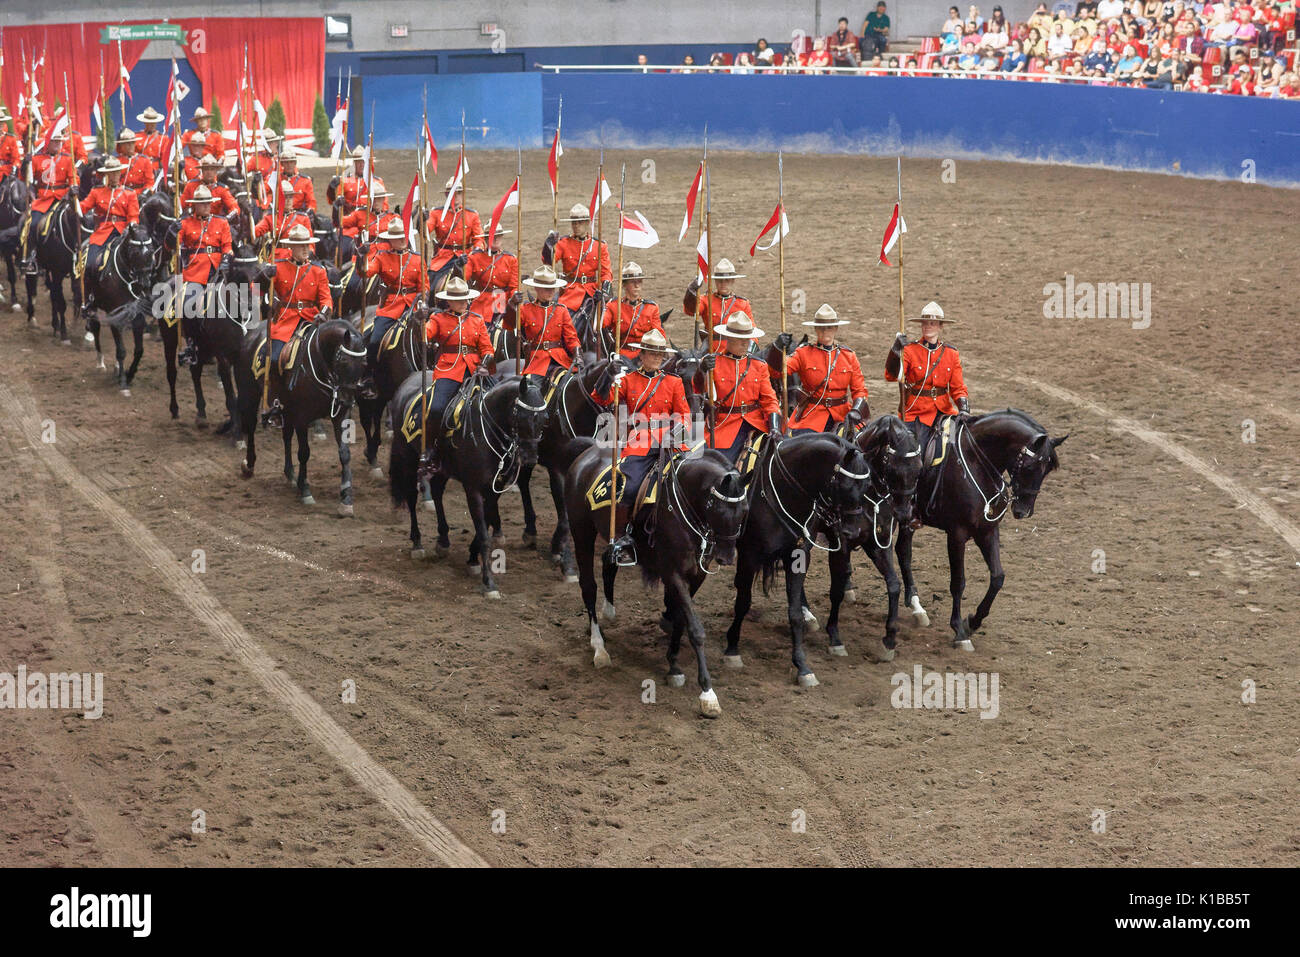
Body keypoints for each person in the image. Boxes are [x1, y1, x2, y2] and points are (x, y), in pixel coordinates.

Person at [593, 328, 692, 565]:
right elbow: (602, 398)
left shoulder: (673, 382)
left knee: (690, 480)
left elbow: (684, 414)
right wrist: (608, 374)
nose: (657, 357)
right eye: (652, 353)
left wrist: (678, 430)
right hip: (640, 442)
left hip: (669, 441)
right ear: (642, 355)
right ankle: (627, 536)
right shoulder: (627, 381)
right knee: (630, 486)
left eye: (660, 354)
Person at [259, 223, 333, 428]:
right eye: (300, 246)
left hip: (311, 320)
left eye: (307, 245)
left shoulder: (318, 271)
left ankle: (330, 399)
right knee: (274, 358)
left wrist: (323, 313)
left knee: (327, 358)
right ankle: (275, 402)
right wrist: (264, 275)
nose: (305, 249)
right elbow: (258, 291)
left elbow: (326, 300)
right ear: (291, 247)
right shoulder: (278, 266)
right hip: (285, 320)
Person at [420, 275, 495, 474]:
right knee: (436, 408)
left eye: (465, 299)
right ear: (449, 301)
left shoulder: (477, 320)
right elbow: (425, 335)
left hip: (475, 370)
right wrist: (420, 319)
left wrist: (484, 363)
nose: (463, 303)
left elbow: (487, 348)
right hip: (449, 370)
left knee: (499, 404)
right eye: (459, 300)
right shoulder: (438, 319)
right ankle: (432, 451)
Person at [884, 301, 968, 459]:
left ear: (940, 326)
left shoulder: (951, 354)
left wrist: (964, 408)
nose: (928, 326)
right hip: (916, 413)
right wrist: (895, 351)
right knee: (915, 457)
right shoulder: (909, 350)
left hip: (945, 412)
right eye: (925, 323)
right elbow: (891, 376)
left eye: (933, 323)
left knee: (957, 448)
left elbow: (958, 388)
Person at [768, 304, 868, 435]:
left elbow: (860, 390)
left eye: (829, 327)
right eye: (821, 328)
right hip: (813, 415)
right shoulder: (803, 353)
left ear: (836, 328)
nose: (825, 331)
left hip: (843, 414)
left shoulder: (849, 356)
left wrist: (856, 410)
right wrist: (777, 349)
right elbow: (777, 372)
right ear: (815, 329)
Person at [357, 219, 429, 399]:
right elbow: (366, 272)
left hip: (414, 306)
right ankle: (369, 377)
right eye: (397, 237)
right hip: (390, 307)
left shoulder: (417, 258)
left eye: (403, 236)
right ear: (391, 241)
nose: (402, 239)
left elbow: (425, 287)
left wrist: (423, 302)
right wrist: (362, 257)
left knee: (433, 338)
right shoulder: (382, 257)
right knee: (374, 341)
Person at [698, 314, 780, 464]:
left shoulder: (759, 365)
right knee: (721, 469)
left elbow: (770, 399)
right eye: (740, 340)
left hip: (756, 423)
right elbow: (697, 389)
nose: (745, 344)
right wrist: (701, 370)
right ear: (728, 338)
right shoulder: (712, 362)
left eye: (747, 340)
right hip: (725, 425)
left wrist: (775, 427)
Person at [174, 184, 233, 367]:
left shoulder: (222, 222)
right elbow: (172, 247)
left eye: (208, 203)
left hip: (218, 270)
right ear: (194, 206)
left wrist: (225, 259)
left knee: (238, 302)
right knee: (188, 304)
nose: (206, 206)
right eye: (202, 203)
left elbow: (227, 247)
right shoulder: (185, 223)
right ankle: (192, 344)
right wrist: (171, 233)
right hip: (195, 271)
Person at [78, 156, 141, 314]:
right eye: (110, 173)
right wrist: (74, 198)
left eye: (116, 173)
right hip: (102, 233)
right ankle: (90, 300)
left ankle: (140, 295)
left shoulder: (129, 194)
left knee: (140, 260)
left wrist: (131, 226)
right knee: (90, 264)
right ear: (106, 175)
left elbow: (133, 216)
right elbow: (83, 208)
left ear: (120, 173)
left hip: (123, 233)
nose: (113, 176)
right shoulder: (97, 192)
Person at [504, 265, 581, 378]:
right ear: (537, 289)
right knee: (532, 391)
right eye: (547, 289)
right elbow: (509, 325)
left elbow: (571, 338)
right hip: (537, 363)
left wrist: (577, 354)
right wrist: (511, 305)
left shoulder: (561, 310)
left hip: (560, 360)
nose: (551, 292)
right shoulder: (525, 309)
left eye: (552, 288)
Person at [21, 131, 76, 275]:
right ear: (48, 143)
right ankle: (32, 257)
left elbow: (73, 179)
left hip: (63, 198)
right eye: (55, 141)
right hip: (43, 200)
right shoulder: (37, 158)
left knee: (80, 220)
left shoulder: (67, 158)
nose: (58, 144)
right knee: (33, 224)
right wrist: (25, 163)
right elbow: (26, 178)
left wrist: (72, 189)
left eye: (60, 141)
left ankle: (79, 253)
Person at [547, 202, 612, 321]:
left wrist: (605, 287)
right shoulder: (563, 243)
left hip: (593, 291)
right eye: (574, 223)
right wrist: (548, 247)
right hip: (571, 292)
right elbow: (549, 262)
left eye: (580, 222)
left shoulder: (599, 245)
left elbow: (606, 272)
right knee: (557, 318)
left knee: (606, 321)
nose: (576, 226)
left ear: (587, 223)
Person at [601, 262, 665, 362]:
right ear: (624, 285)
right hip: (621, 355)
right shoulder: (613, 306)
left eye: (639, 281)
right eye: (632, 282)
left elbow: (659, 335)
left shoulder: (652, 308)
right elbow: (601, 325)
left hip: (644, 357)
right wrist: (599, 304)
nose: (636, 285)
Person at [426, 176, 484, 282]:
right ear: (446, 195)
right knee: (432, 287)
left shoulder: (472, 215)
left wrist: (476, 251)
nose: (455, 197)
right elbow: (425, 232)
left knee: (482, 280)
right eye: (452, 193)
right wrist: (422, 221)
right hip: (443, 258)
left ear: (462, 195)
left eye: (458, 193)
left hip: (465, 257)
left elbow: (479, 238)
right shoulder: (436, 213)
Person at [684, 257, 752, 341]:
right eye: (720, 281)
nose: (723, 284)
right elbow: (691, 311)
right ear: (715, 281)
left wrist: (749, 350)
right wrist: (691, 292)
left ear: (733, 281)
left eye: (727, 280)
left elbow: (751, 330)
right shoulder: (706, 300)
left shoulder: (743, 303)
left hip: (735, 349)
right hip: (711, 349)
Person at [465, 224, 519, 321]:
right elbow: (464, 278)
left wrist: (514, 297)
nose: (496, 239)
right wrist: (461, 267)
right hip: (481, 303)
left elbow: (514, 286)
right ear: (485, 239)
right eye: (492, 236)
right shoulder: (474, 257)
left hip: (503, 301)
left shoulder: (511, 259)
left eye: (498, 236)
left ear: (502, 237)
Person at [252, 181, 314, 260]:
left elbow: (310, 242)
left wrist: (310, 252)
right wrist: (249, 214)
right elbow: (255, 232)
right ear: (278, 199)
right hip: (278, 258)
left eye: (290, 197)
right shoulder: (271, 218)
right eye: (285, 197)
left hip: (300, 257)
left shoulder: (303, 218)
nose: (288, 200)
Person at [181, 154, 240, 220]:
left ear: (216, 171)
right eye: (206, 169)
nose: (209, 172)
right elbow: (181, 205)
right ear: (202, 171)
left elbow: (233, 206)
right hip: (194, 222)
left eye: (212, 169)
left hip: (215, 224)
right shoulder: (191, 185)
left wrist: (228, 217)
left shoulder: (222, 189)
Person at [135, 107, 171, 180]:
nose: (151, 124)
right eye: (148, 122)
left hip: (155, 170)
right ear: (144, 122)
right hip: (140, 170)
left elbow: (165, 158)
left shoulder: (163, 138)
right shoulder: (136, 137)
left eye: (153, 122)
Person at [277, 149, 317, 213]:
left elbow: (311, 202)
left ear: (295, 163)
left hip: (298, 215)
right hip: (279, 213)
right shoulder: (276, 179)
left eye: (291, 162)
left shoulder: (305, 181)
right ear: (282, 164)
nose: (289, 165)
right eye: (286, 162)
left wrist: (310, 211)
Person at [0, 107, 24, 179]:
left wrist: (14, 167)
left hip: (6, 171)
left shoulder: (10, 139)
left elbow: (16, 158)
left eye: (1, 122)